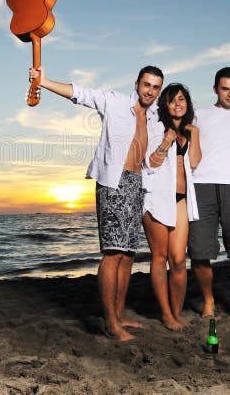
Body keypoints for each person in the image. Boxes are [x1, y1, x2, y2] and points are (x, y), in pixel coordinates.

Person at [29, 65, 164, 341]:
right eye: (146, 84)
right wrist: (43, 81)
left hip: (137, 185)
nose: (150, 91)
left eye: (156, 87)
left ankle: (121, 314)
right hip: (113, 183)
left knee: (127, 255)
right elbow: (79, 93)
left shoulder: (153, 117)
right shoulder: (114, 101)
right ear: (137, 83)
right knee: (113, 253)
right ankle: (111, 323)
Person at [190, 67, 230, 323]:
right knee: (199, 252)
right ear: (215, 89)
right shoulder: (199, 114)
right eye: (225, 88)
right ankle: (208, 300)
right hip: (201, 185)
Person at [141, 83, 201, 330]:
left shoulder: (189, 131)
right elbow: (151, 163)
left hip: (181, 199)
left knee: (178, 259)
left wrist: (194, 135)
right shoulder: (155, 127)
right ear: (165, 104)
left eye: (182, 100)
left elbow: (195, 162)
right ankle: (166, 315)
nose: (178, 104)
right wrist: (167, 140)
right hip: (156, 197)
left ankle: (176, 312)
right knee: (160, 257)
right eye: (173, 100)